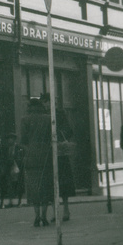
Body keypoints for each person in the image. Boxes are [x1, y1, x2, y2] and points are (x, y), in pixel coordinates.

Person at [40, 93, 75, 222]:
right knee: (51, 184)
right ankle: (56, 212)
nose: (46, 105)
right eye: (45, 103)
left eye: (48, 102)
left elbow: (68, 130)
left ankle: (66, 210)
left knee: (64, 184)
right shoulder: (43, 116)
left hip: (60, 152)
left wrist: (61, 139)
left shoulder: (60, 113)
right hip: (49, 153)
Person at [20, 97, 53, 226]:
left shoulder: (25, 119)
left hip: (31, 157)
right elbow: (51, 137)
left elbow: (23, 140)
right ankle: (44, 217)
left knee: (34, 188)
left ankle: (36, 216)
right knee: (45, 187)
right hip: (46, 156)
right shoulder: (48, 118)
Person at [2, 131, 25, 207]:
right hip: (9, 168)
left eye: (11, 139)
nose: (9, 140)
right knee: (10, 185)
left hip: (18, 168)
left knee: (19, 185)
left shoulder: (19, 148)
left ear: (14, 140)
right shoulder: (6, 148)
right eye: (8, 139)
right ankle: (10, 201)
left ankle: (19, 201)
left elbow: (23, 157)